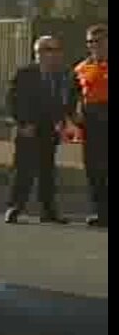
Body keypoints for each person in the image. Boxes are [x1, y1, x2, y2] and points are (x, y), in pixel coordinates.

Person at [4, 35, 79, 224]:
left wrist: (65, 120)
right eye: (46, 50)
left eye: (54, 50)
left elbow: (69, 98)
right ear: (36, 53)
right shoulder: (25, 73)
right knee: (24, 170)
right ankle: (15, 207)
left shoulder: (64, 74)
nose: (51, 55)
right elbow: (12, 100)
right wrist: (22, 123)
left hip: (50, 129)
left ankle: (49, 211)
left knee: (48, 172)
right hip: (28, 128)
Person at [73, 24, 108, 227]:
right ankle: (101, 213)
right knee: (95, 170)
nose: (95, 45)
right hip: (91, 123)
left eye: (99, 41)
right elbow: (72, 95)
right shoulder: (81, 68)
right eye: (90, 42)